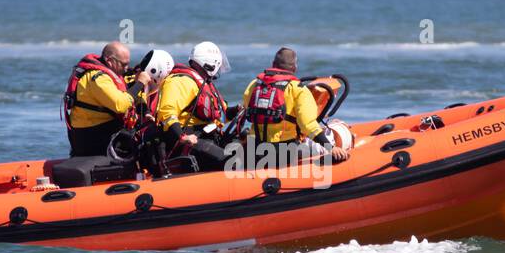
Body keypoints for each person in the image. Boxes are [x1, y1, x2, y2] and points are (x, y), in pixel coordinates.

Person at [241, 47, 350, 163]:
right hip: (283, 153)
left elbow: (245, 110)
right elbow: (308, 125)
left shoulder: (254, 85)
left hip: (254, 151)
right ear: (294, 68)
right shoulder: (298, 89)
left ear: (273, 64)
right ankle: (346, 136)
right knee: (331, 137)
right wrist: (330, 147)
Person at [62, 42, 152, 157]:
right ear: (109, 60)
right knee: (140, 144)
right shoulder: (98, 78)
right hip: (90, 137)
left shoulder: (112, 73)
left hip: (94, 132)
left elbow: (131, 93)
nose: (126, 69)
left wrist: (145, 112)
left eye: (127, 64)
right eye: (123, 64)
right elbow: (120, 105)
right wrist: (140, 83)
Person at [152, 41, 232, 171]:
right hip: (188, 141)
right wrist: (182, 137)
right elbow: (166, 113)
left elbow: (220, 114)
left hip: (207, 136)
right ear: (211, 65)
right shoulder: (181, 81)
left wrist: (238, 111)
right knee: (228, 161)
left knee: (239, 149)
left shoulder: (202, 83)